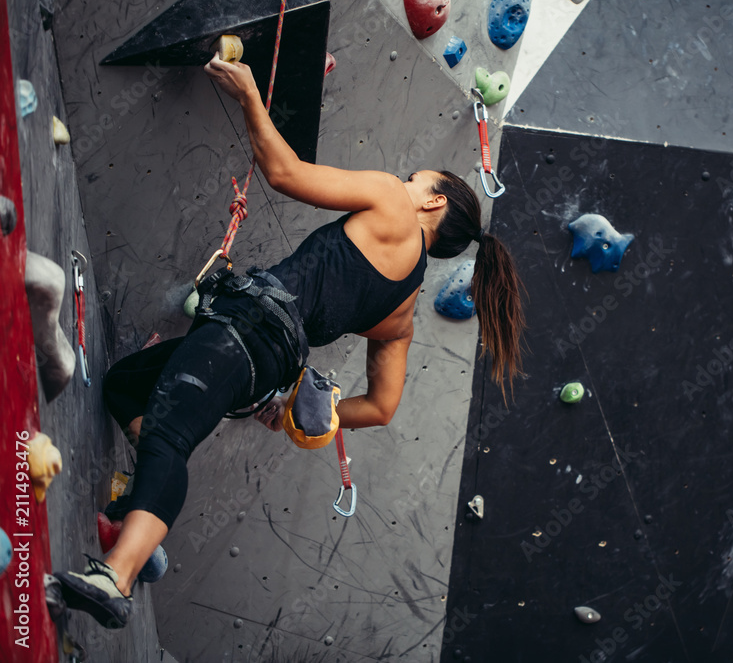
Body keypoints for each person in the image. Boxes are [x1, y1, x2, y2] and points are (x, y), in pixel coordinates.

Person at [54, 52, 526, 629]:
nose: (406, 181)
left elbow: (283, 172)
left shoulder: (394, 203)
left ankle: (116, 577)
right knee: (127, 388)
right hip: (263, 365)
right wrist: (292, 409)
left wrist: (251, 94)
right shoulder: (403, 310)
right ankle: (138, 513)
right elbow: (382, 408)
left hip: (246, 332)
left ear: (433, 201)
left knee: (171, 437)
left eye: (416, 180)